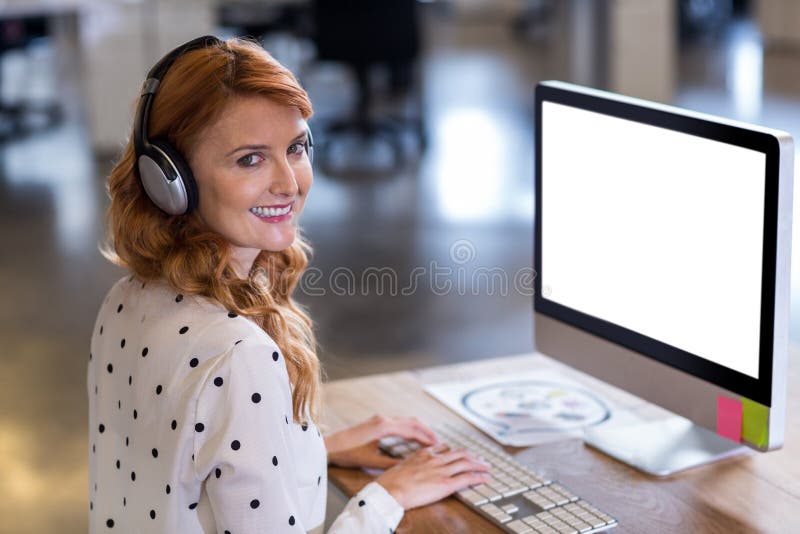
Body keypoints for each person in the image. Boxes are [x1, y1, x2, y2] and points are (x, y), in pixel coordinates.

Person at [87, 36, 490, 533]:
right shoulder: (239, 355)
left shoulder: (125, 300)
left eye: (296, 148)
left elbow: (180, 472)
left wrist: (307, 451)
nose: (289, 182)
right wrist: (389, 497)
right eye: (250, 159)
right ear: (171, 179)